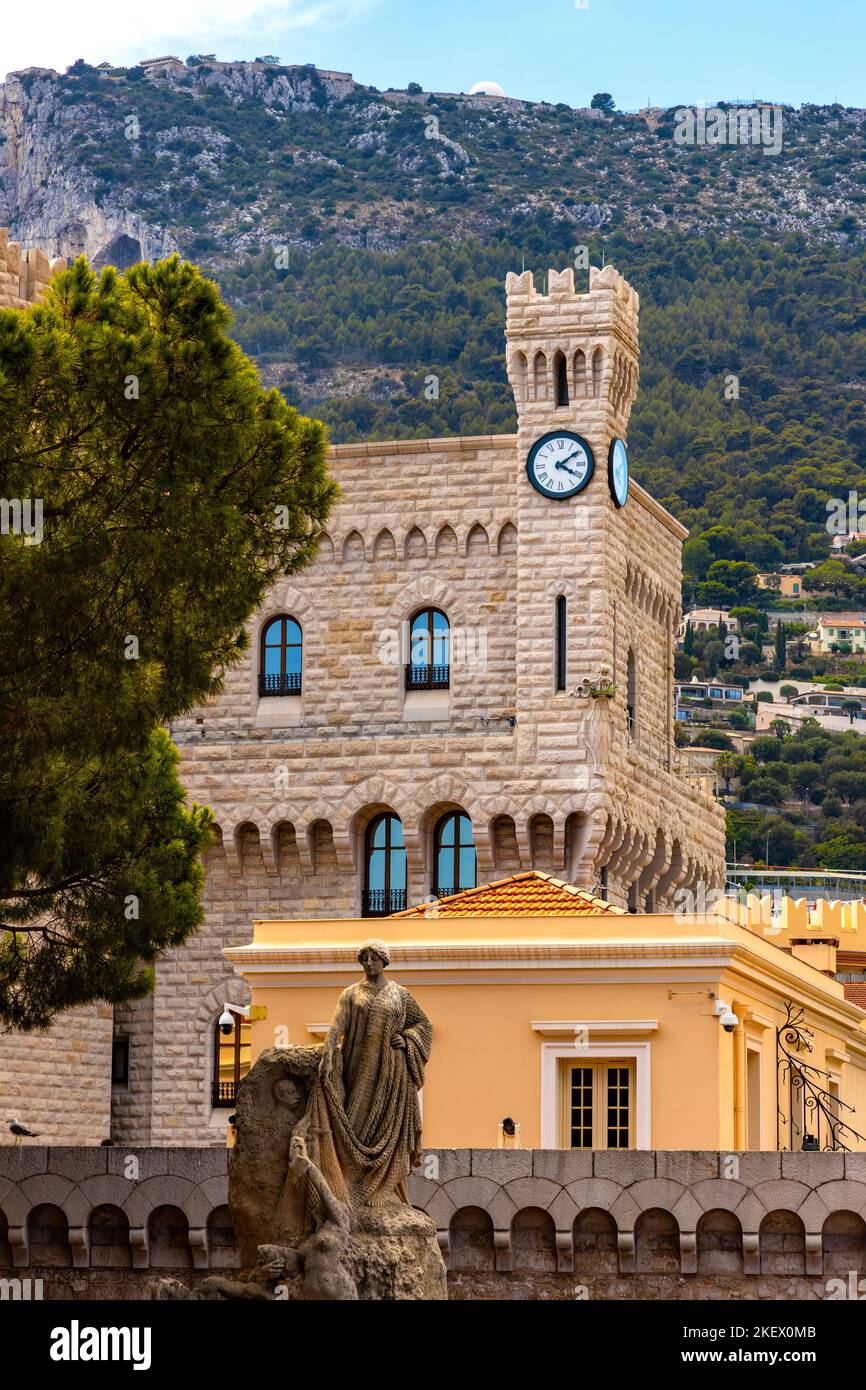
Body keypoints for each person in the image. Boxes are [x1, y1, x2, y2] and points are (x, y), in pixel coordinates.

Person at [301, 939, 432, 1208]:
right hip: (358, 1069)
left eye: (374, 958)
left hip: (392, 1071)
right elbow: (336, 1026)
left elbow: (424, 1025)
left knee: (388, 1124)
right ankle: (351, 1183)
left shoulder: (400, 994)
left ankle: (384, 1188)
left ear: (384, 961)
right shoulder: (350, 993)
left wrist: (407, 1040)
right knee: (355, 1119)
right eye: (365, 958)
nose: (369, 963)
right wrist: (326, 1057)